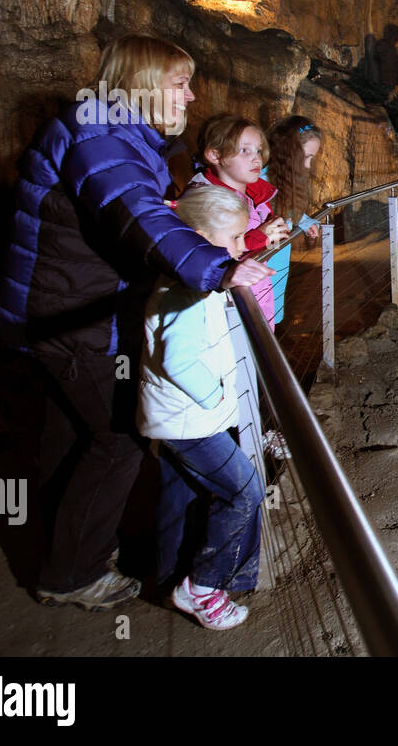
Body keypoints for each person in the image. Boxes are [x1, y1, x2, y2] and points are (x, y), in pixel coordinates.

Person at [0, 35, 272, 611]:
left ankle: (62, 550)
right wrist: (217, 266)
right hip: (74, 317)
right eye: (179, 83)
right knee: (121, 437)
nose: (191, 95)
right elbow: (138, 214)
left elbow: (137, 208)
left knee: (68, 434)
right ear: (143, 84)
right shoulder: (99, 131)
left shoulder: (112, 134)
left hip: (61, 312)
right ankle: (72, 573)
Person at [139, 185, 265, 630]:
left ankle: (173, 574)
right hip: (190, 421)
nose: (238, 248)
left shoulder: (192, 279)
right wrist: (218, 400)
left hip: (179, 417)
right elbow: (179, 360)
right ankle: (204, 586)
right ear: (194, 235)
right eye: (232, 239)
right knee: (245, 491)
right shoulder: (186, 291)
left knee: (182, 495)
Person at [188, 116, 289, 330]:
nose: (257, 159)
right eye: (245, 150)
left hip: (258, 292)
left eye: (259, 150)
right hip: (228, 307)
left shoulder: (255, 194)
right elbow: (208, 258)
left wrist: (273, 236)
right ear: (215, 154)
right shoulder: (207, 199)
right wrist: (261, 237)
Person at [263, 116, 323, 327]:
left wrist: (304, 221)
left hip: (277, 266)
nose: (307, 165)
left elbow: (285, 209)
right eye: (305, 157)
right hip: (262, 273)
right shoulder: (260, 182)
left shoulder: (279, 178)